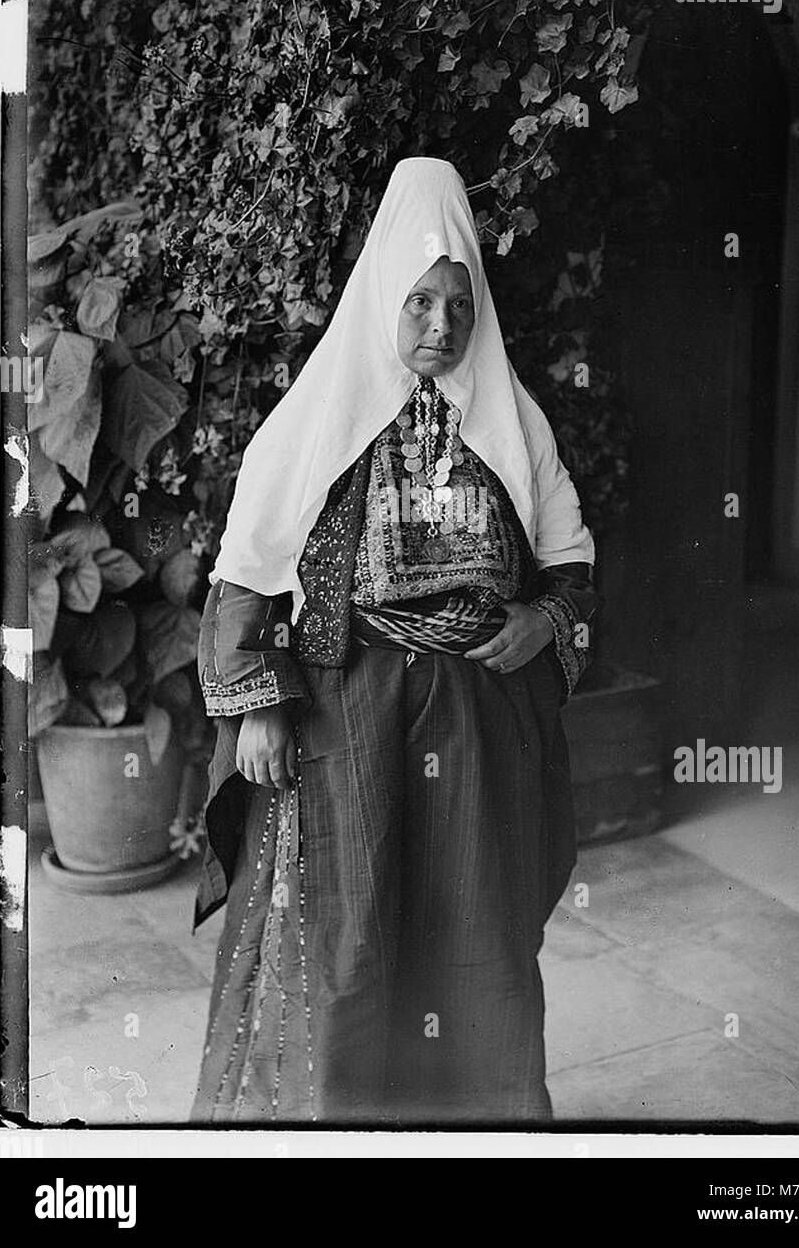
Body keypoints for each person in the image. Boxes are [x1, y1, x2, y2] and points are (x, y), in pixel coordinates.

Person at [190, 156, 597, 1126]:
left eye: (457, 304)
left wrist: (546, 619)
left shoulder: (514, 421)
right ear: (385, 296)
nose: (439, 325)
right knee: (353, 939)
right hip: (351, 709)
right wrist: (257, 701)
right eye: (418, 301)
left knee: (479, 932)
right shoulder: (321, 414)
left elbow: (570, 563)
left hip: (478, 714)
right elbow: (249, 562)